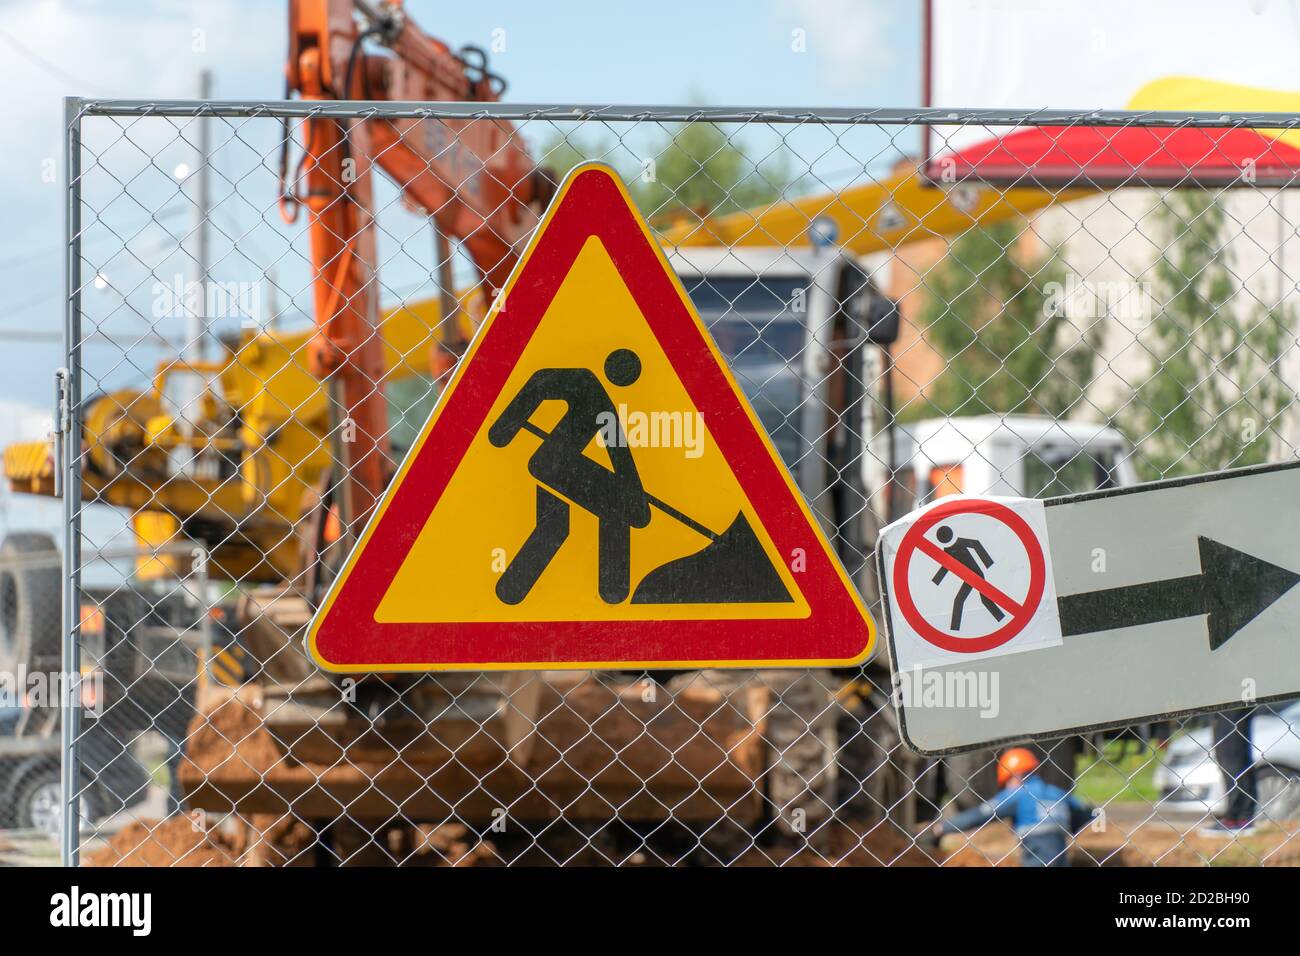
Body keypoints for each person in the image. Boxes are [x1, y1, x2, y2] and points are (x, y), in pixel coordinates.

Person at [489, 348, 651, 605]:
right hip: (551, 464)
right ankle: (612, 591)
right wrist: (504, 428)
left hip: (553, 464)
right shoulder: (585, 383)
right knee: (596, 513)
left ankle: (612, 591)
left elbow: (616, 443)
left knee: (559, 523)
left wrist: (633, 492)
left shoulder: (595, 392)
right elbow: (540, 385)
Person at [928, 747, 1085, 867]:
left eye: (1006, 783)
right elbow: (1085, 815)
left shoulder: (1018, 794)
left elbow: (979, 815)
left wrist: (943, 828)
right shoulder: (1058, 794)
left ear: (1014, 777)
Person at [930, 524, 1005, 630]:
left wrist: (988, 562)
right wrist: (936, 580)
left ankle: (954, 629)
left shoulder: (958, 542)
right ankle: (1001, 618)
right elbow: (945, 566)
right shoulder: (948, 550)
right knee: (972, 601)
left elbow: (976, 544)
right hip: (969, 578)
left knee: (961, 601)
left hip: (976, 576)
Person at [1200, 706, 1258, 836]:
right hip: (1231, 703)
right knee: (1233, 756)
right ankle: (1241, 816)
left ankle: (1237, 818)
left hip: (1231, 704)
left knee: (1230, 756)